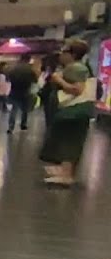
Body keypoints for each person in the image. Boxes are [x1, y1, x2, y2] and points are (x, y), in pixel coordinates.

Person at [39, 38, 96, 186]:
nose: (60, 54)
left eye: (64, 51)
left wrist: (58, 80)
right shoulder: (77, 67)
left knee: (69, 141)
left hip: (74, 111)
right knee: (67, 139)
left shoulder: (75, 68)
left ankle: (66, 175)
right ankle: (64, 170)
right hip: (74, 112)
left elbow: (77, 90)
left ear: (72, 54)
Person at [6, 55, 38, 133]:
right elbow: (35, 80)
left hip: (14, 91)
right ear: (28, 60)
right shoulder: (30, 69)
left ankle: (11, 127)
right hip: (25, 91)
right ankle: (23, 125)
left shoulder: (13, 69)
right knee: (25, 110)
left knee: (14, 109)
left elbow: (7, 79)